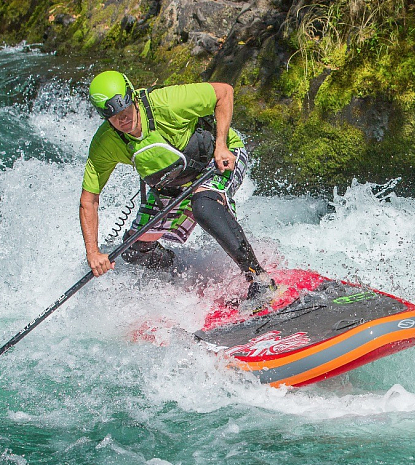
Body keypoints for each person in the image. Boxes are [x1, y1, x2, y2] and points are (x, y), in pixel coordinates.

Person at [79, 70, 275, 309]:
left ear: (133, 97)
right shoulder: (105, 143)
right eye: (114, 116)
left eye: (125, 109)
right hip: (172, 184)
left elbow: (224, 92)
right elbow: (89, 200)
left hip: (215, 162)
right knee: (134, 251)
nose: (123, 119)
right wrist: (93, 253)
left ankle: (259, 278)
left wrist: (221, 145)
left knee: (204, 206)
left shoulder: (167, 103)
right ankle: (181, 270)